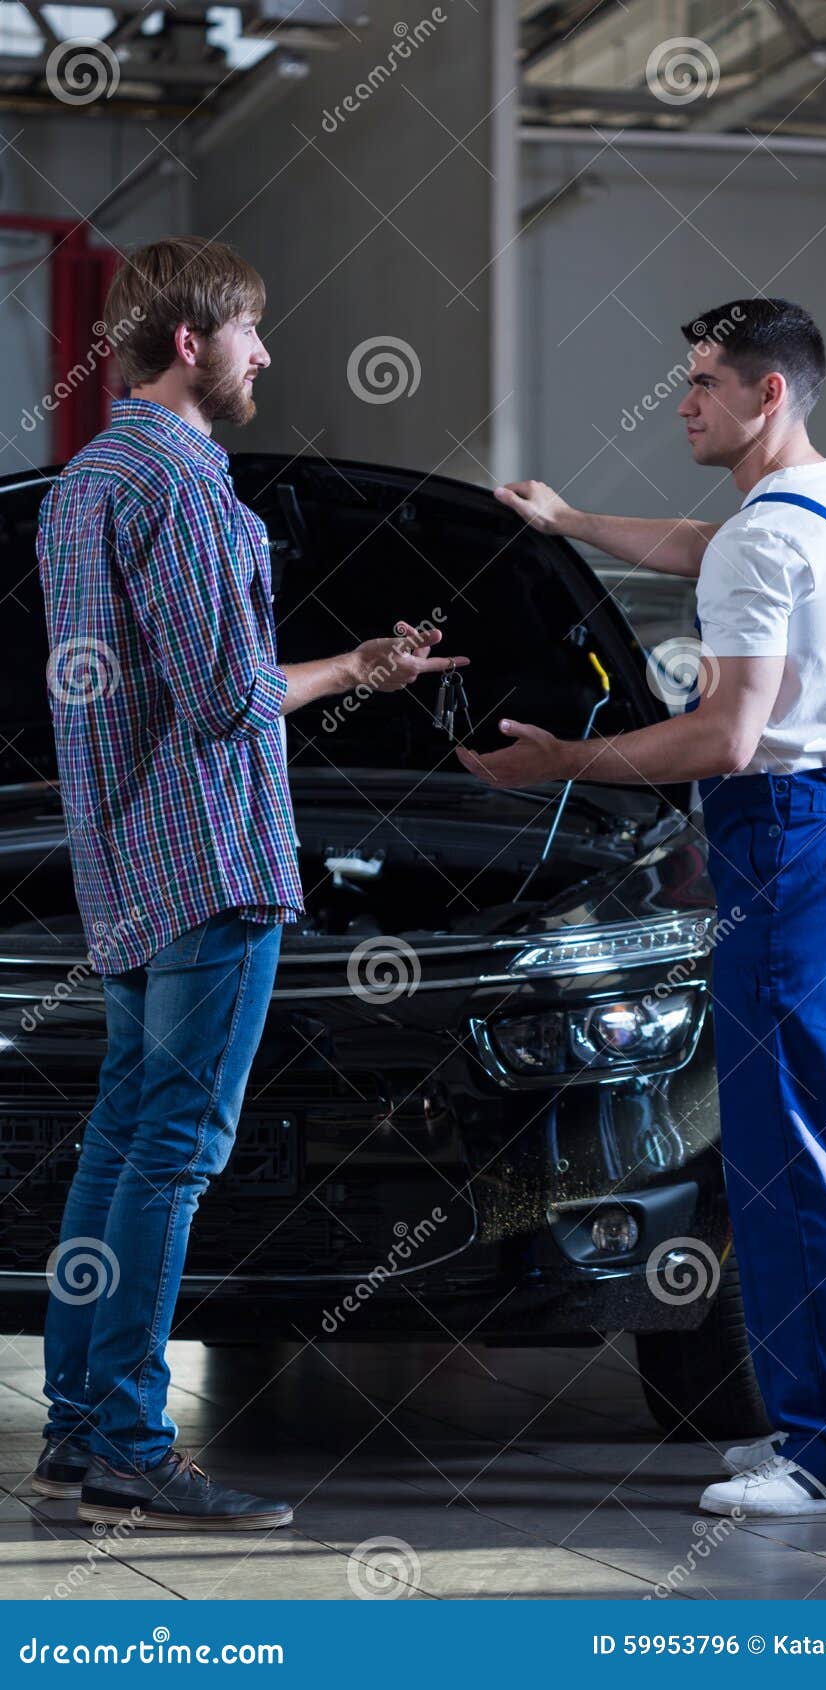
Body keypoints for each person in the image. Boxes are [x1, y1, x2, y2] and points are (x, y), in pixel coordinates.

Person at [32, 236, 466, 1531]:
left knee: (120, 1141)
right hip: (211, 859)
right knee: (173, 1150)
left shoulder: (82, 482)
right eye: (252, 333)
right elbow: (226, 696)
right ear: (190, 342)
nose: (265, 354)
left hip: (120, 861)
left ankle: (72, 1428)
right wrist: (358, 668)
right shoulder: (188, 486)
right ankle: (126, 1439)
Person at [457, 298, 826, 1518]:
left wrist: (561, 764)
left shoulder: (764, 542)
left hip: (782, 846)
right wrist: (573, 524)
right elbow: (700, 546)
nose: (683, 400)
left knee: (786, 1158)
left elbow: (722, 734)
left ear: (767, 395)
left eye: (702, 381)